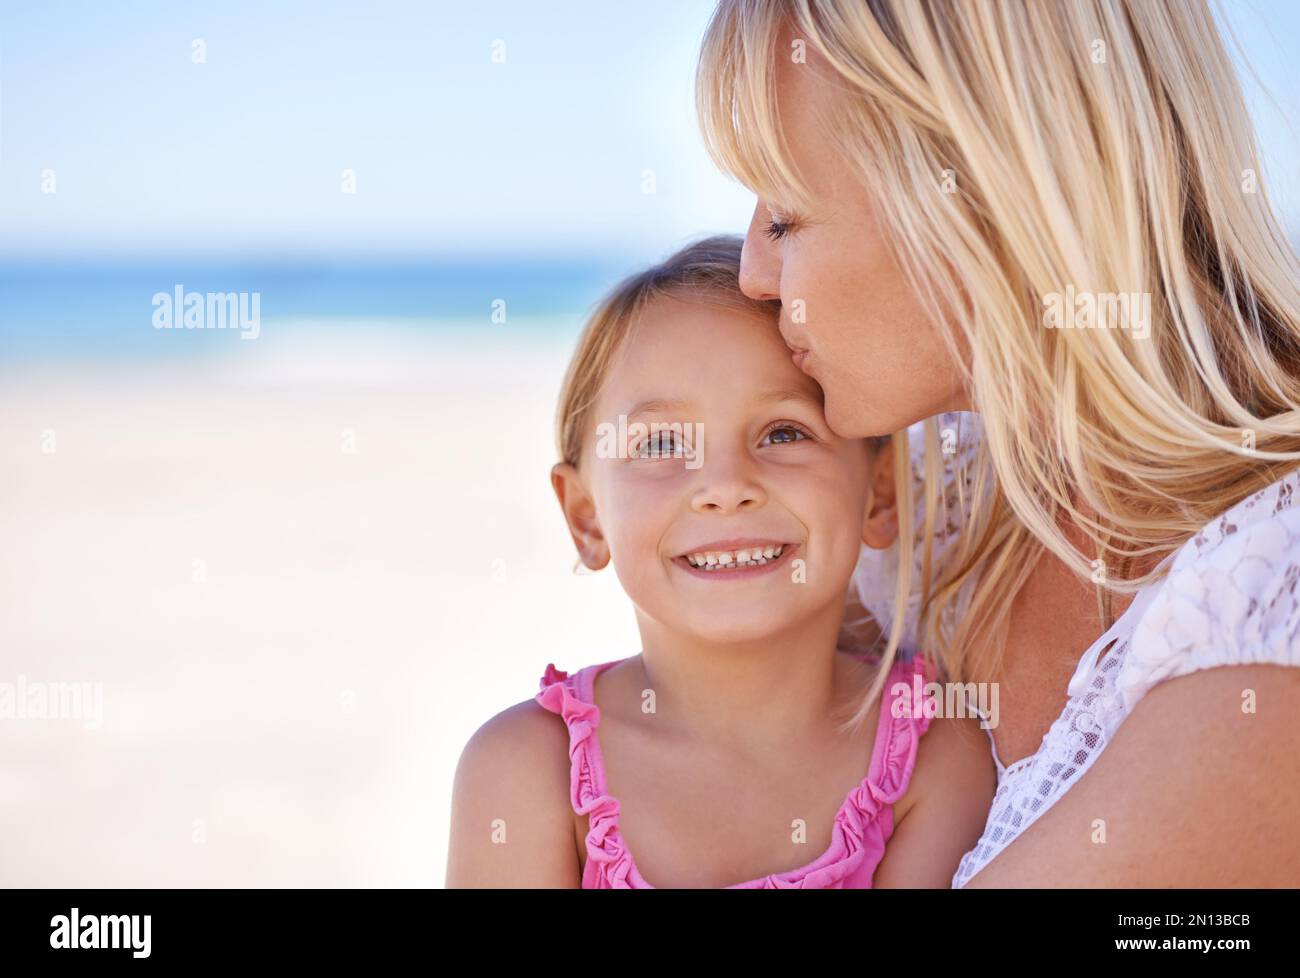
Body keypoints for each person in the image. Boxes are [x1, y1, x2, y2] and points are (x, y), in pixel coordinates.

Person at [695, 0, 1300, 886]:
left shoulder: (1270, 607)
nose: (753, 273)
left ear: (978, 190)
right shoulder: (933, 507)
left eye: (787, 213)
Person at [445, 235, 993, 887]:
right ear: (587, 518)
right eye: (663, 443)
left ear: (878, 493)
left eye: (784, 433)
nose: (726, 485)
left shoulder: (933, 754)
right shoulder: (525, 773)